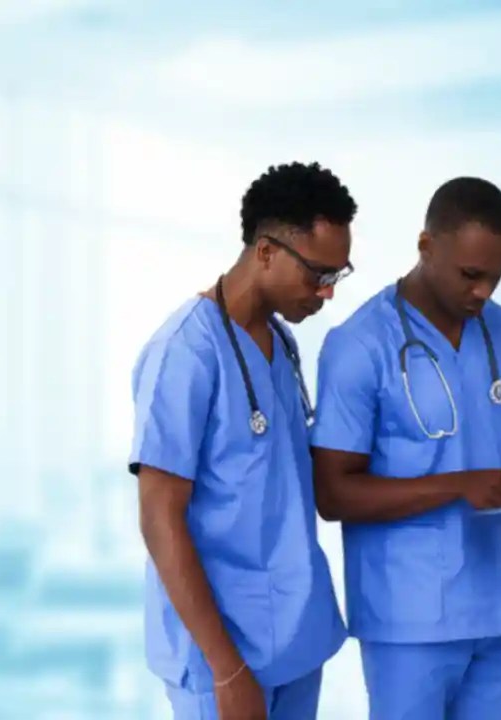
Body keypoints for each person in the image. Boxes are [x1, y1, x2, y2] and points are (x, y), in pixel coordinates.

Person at [311, 176, 501, 719]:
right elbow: (333, 493)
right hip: (409, 618)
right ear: (426, 246)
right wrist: (460, 485)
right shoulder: (359, 345)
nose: (484, 292)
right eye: (471, 275)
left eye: (497, 277)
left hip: (500, 613)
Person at [130, 161, 357, 719]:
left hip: (295, 644)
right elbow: (159, 519)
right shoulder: (185, 352)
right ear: (265, 252)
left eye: (337, 275)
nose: (326, 293)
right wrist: (226, 668)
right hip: (221, 658)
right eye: (317, 274)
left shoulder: (282, 344)